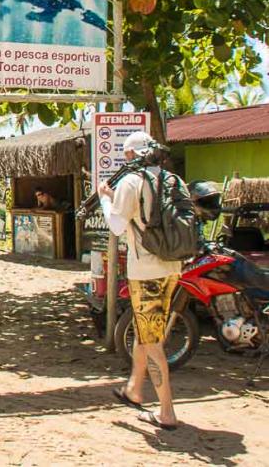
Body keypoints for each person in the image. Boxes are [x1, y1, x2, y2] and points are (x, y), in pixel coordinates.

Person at [98, 130, 181, 431]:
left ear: (132, 155)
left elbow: (117, 225)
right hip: (173, 266)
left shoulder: (132, 182)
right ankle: (134, 387)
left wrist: (104, 199)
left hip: (145, 271)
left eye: (126, 155)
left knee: (152, 340)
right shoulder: (173, 180)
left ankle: (167, 412)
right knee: (146, 330)